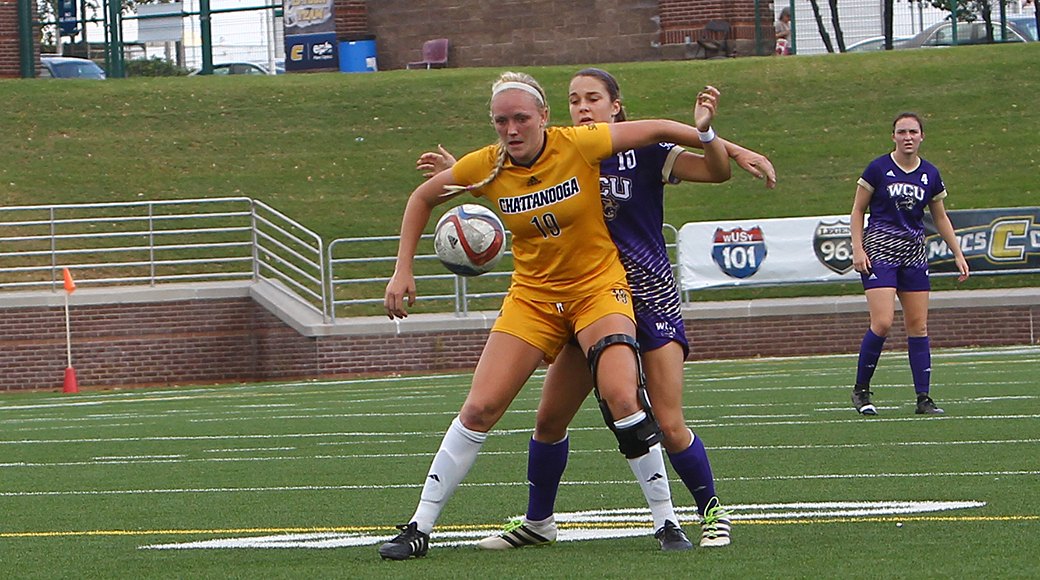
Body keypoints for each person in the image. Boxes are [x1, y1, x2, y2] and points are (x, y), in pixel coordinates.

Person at [417, 68, 776, 551]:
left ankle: (712, 513)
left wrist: (730, 146)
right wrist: (465, 172)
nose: (583, 108)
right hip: (587, 299)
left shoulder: (639, 153)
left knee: (668, 420)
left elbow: (707, 163)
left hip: (646, 296)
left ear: (616, 107)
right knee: (549, 419)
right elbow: (512, 180)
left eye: (593, 99)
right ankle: (538, 522)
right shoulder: (561, 149)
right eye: (574, 100)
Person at [850, 112, 969, 417]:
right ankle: (861, 390)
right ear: (893, 136)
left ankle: (923, 397)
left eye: (913, 132)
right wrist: (857, 248)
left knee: (918, 325)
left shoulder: (930, 173)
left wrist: (957, 253)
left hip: (914, 254)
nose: (907, 137)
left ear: (921, 137)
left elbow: (939, 216)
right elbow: (858, 210)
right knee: (884, 322)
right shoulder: (878, 168)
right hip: (879, 252)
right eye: (901, 132)